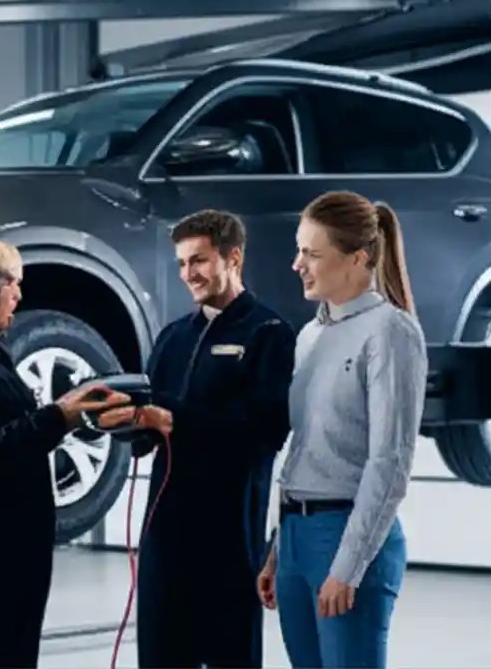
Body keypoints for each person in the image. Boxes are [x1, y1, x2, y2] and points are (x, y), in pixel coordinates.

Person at [0, 234, 170, 669]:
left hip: (5, 553)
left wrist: (81, 418)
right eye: (11, 281)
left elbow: (11, 434)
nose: (20, 293)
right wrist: (60, 417)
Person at [256, 190, 427, 669]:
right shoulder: (310, 336)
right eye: (298, 250)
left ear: (359, 258)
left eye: (312, 253)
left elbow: (389, 463)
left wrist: (348, 568)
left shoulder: (390, 332)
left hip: (346, 534)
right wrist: (277, 549)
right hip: (296, 535)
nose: (297, 264)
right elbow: (304, 449)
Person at [128, 209, 297, 668]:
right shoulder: (172, 337)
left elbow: (267, 430)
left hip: (228, 533)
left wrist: (174, 419)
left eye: (198, 261)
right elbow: (147, 429)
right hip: (165, 534)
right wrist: (128, 421)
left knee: (230, 657)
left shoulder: (269, 334)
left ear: (233, 257)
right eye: (182, 263)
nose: (189, 274)